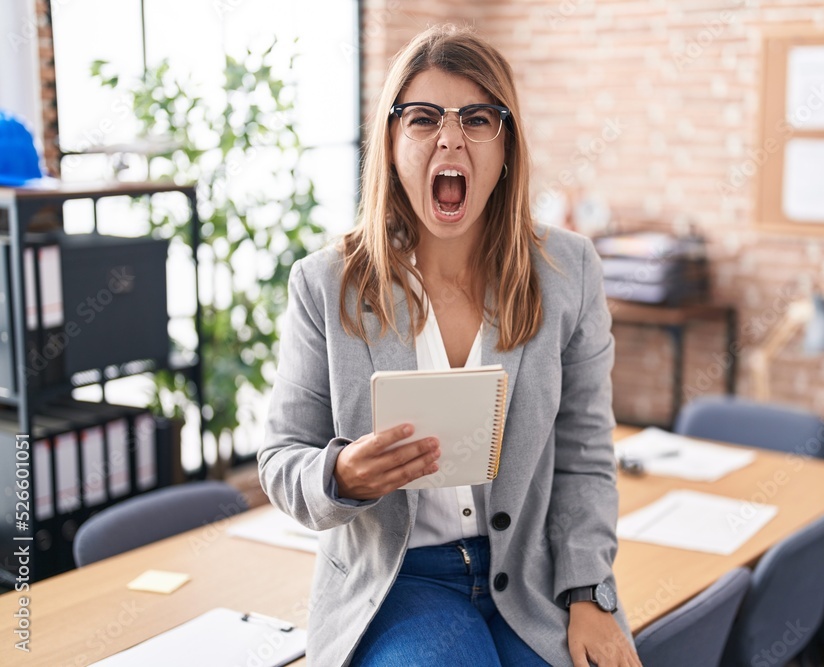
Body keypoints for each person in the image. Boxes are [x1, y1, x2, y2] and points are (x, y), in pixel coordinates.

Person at [259, 24, 640, 667]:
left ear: (507, 146)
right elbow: (280, 459)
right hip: (397, 583)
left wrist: (590, 592)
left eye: (477, 118)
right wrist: (342, 475)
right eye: (423, 118)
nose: (451, 137)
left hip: (532, 575)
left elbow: (584, 457)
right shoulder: (324, 284)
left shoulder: (569, 270)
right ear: (390, 141)